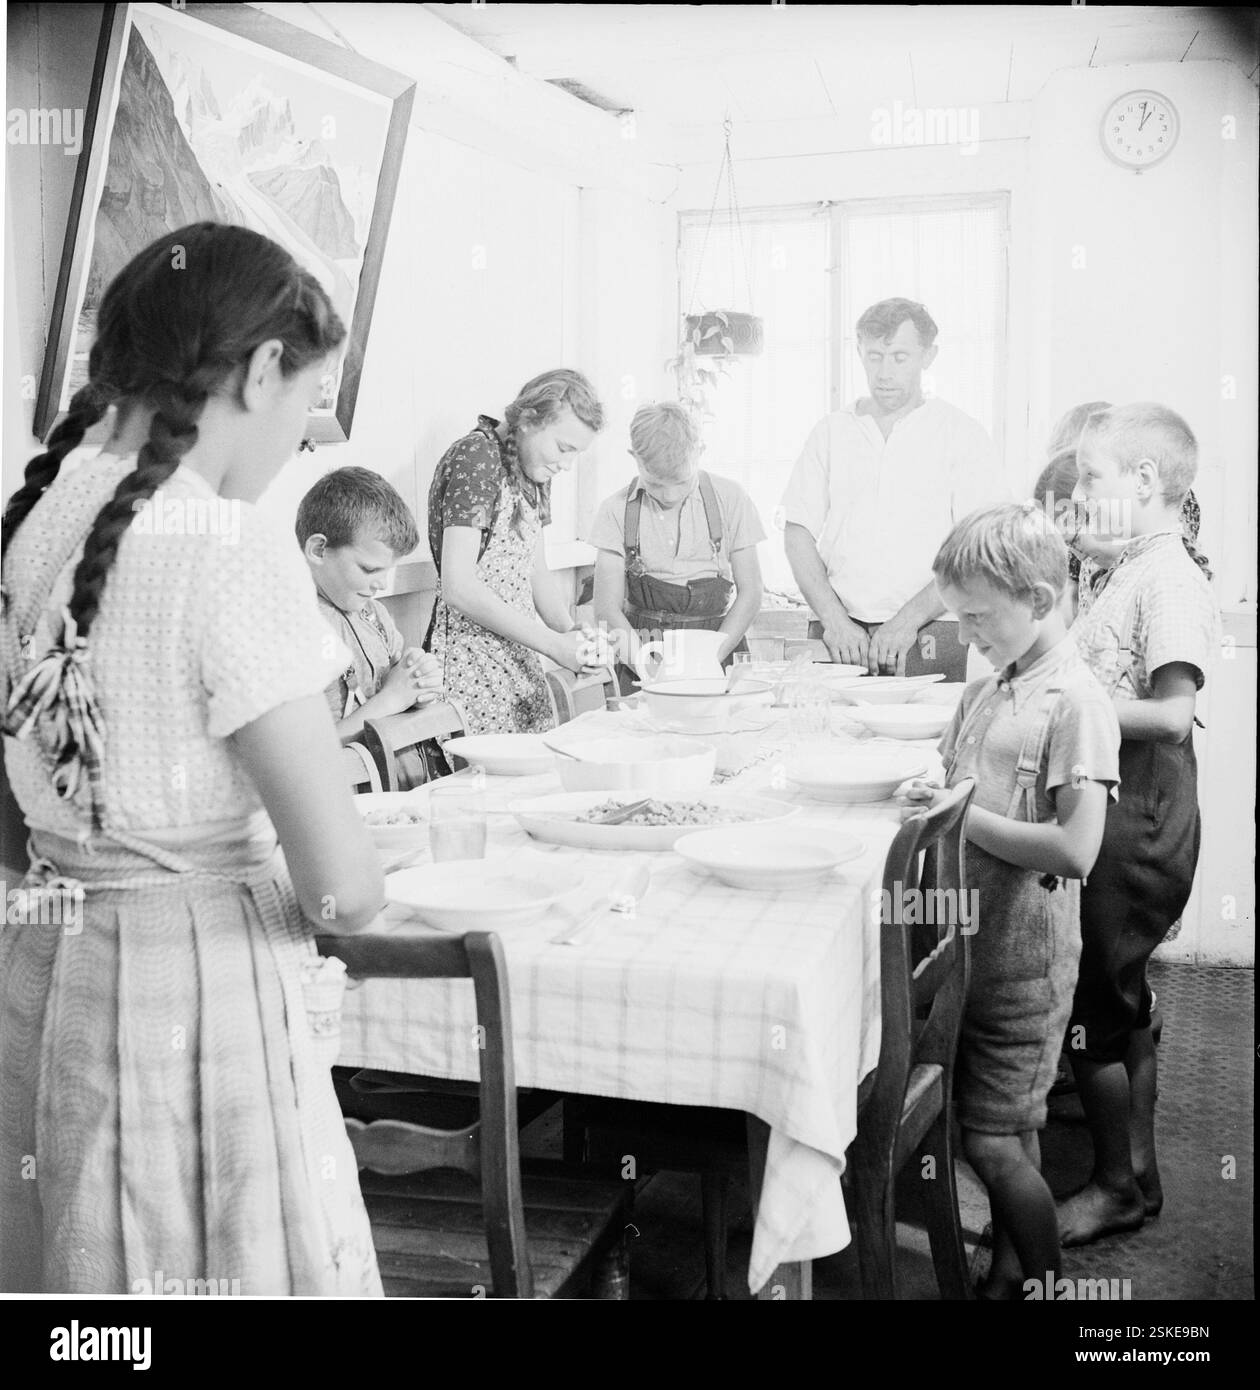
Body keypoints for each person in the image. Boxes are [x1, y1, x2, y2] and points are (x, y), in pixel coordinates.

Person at [0, 223, 384, 1294]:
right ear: (263, 368)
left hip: (46, 977)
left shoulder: (30, 518)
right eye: (309, 404)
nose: (303, 440)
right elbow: (344, 890)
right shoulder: (227, 543)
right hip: (197, 992)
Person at [902, 502, 1120, 1299]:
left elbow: (1076, 848)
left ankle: (1049, 1285)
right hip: (975, 950)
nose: (967, 635)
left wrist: (960, 812)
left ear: (1035, 598)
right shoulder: (998, 685)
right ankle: (1006, 1275)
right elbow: (957, 774)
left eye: (979, 618)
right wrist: (936, 788)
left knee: (990, 1141)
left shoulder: (1076, 702)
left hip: (1025, 961)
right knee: (1007, 1132)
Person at [1054, 404, 1220, 1248]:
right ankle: (1139, 1172)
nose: (1079, 492)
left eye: (1091, 476)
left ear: (1145, 482)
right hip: (1127, 817)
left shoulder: (1169, 579)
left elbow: (1174, 715)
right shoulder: (1131, 568)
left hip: (1139, 825)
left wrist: (1071, 706)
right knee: (1123, 1000)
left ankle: (1114, 1186)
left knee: (1093, 1009)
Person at [780, 297, 1004, 677]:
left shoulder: (960, 434)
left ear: (928, 355)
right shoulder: (831, 432)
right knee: (825, 733)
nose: (884, 372)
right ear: (859, 352)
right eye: (874, 356)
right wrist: (834, 620)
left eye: (899, 357)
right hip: (839, 633)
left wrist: (908, 620)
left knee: (927, 736)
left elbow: (980, 549)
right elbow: (797, 531)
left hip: (933, 628)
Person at [425, 370, 604, 737]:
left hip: (518, 660)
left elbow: (536, 571)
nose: (566, 465)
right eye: (563, 448)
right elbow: (457, 587)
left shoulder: (534, 473)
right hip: (469, 665)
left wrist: (570, 633)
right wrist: (554, 645)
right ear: (527, 421)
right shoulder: (475, 457)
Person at [587, 401, 765, 690]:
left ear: (700, 453)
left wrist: (707, 660)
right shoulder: (615, 511)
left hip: (718, 647)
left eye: (681, 482)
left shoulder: (731, 499)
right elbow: (607, 611)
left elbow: (752, 593)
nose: (669, 494)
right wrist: (650, 672)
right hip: (640, 652)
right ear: (635, 457)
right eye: (655, 484)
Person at [296, 466, 442, 739]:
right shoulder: (291, 628)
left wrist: (418, 686)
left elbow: (399, 686)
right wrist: (391, 700)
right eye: (369, 569)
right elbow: (298, 753)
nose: (382, 584)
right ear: (318, 550)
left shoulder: (374, 614)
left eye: (387, 571)